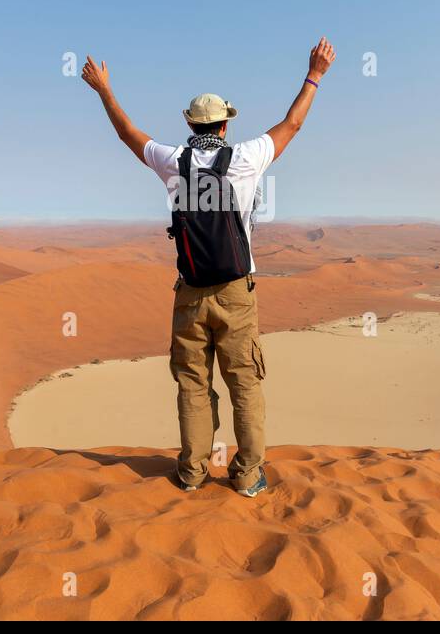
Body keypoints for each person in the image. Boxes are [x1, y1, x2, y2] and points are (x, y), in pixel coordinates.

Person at [81, 38, 336, 496]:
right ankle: (246, 474)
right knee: (246, 385)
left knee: (193, 385)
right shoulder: (243, 159)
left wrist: (103, 89)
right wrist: (314, 74)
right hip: (237, 294)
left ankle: (192, 473)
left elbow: (126, 133)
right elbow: (292, 124)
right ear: (224, 125)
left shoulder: (172, 162)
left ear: (189, 123)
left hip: (190, 293)